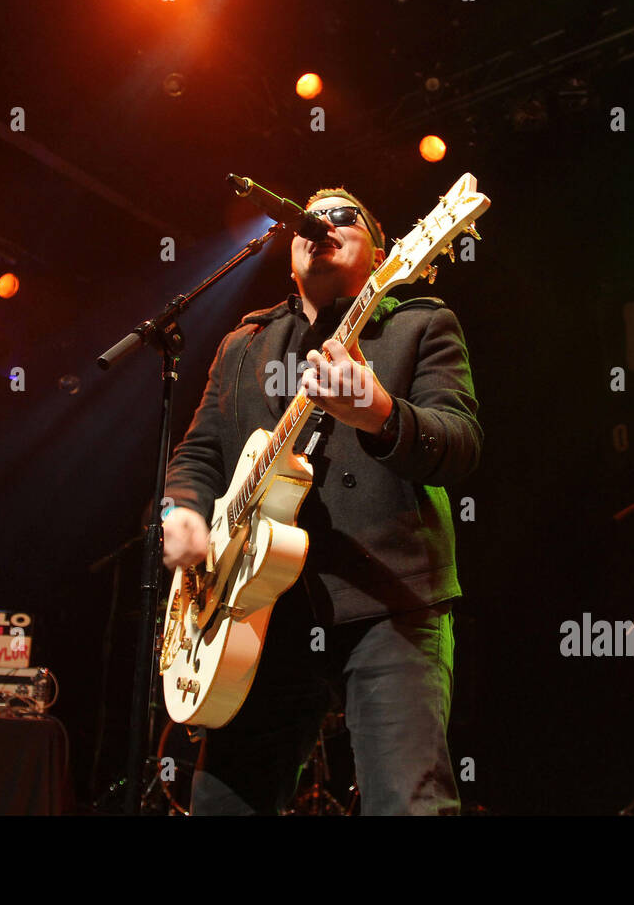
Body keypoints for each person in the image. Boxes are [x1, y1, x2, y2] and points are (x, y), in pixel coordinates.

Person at [161, 186, 481, 814]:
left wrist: (382, 414)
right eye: (311, 217)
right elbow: (199, 455)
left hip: (388, 597)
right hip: (254, 611)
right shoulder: (244, 344)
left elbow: (461, 444)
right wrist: (183, 512)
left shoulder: (421, 323)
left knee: (407, 802)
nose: (322, 223)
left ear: (385, 250)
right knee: (225, 802)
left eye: (344, 216)